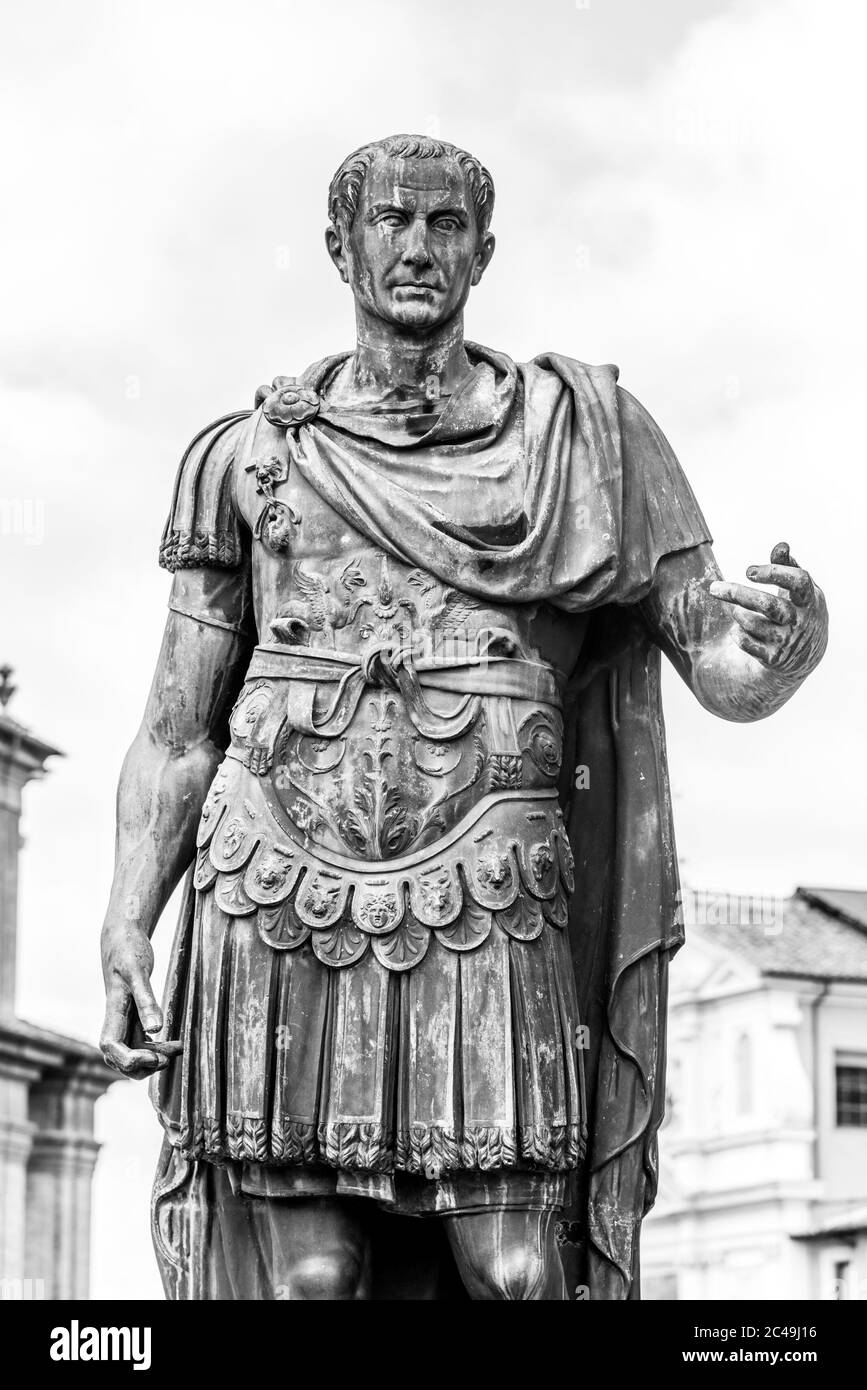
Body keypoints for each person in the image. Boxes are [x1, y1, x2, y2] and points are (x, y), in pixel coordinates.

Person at [100, 134, 828, 1300]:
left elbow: (720, 659)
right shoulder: (244, 457)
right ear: (341, 244)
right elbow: (179, 729)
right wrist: (129, 919)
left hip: (491, 883)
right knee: (311, 1279)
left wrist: (789, 643)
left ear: (484, 252)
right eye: (393, 221)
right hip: (279, 882)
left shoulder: (582, 440)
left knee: (518, 1267)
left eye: (447, 227)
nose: (418, 247)